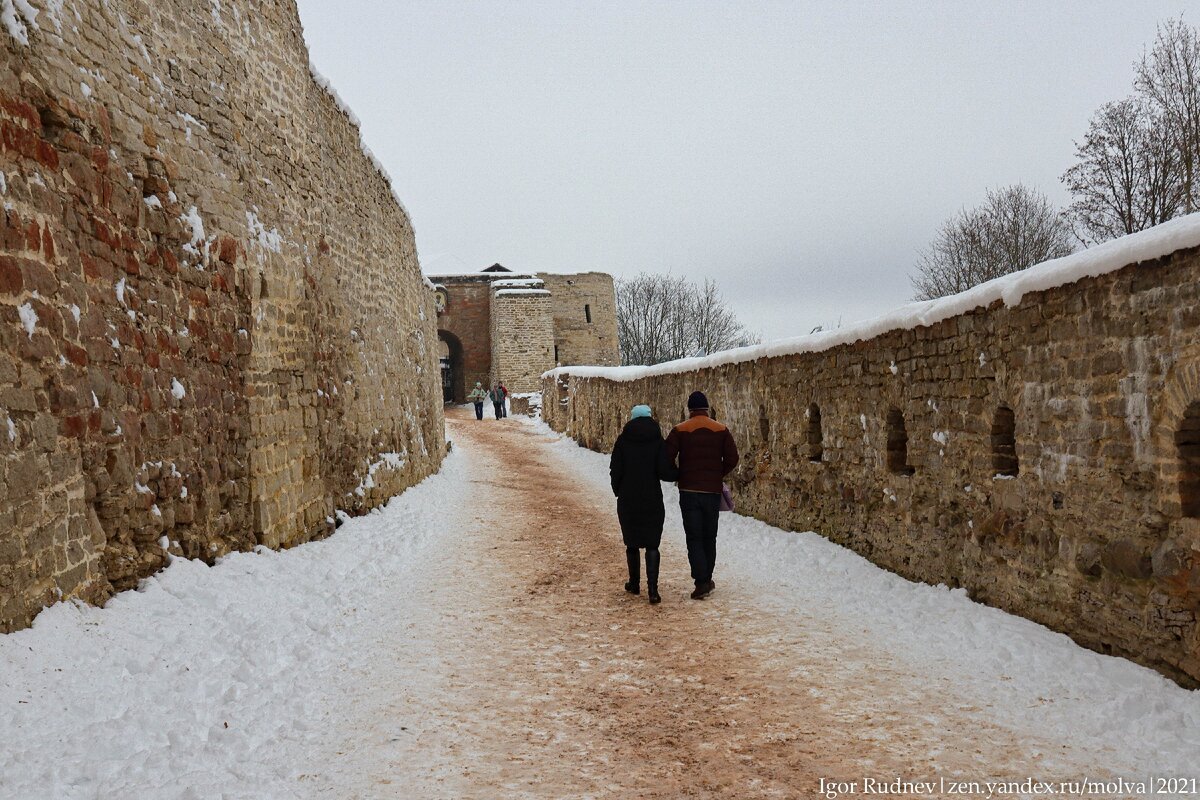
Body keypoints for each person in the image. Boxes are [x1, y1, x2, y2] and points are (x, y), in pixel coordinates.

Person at [665, 391, 739, 600]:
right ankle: (707, 577)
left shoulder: (680, 430)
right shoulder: (721, 429)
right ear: (707, 408)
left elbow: (666, 457)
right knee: (709, 536)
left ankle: (701, 581)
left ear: (690, 409)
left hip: (688, 492)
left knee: (694, 537)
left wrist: (679, 474)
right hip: (711, 492)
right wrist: (717, 474)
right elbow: (733, 458)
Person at [610, 405, 678, 604]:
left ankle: (634, 583)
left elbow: (616, 470)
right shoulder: (657, 441)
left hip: (628, 499)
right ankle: (653, 591)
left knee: (631, 543)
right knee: (652, 544)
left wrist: (618, 491)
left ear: (632, 419)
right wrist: (680, 474)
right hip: (652, 498)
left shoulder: (622, 441)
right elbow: (665, 472)